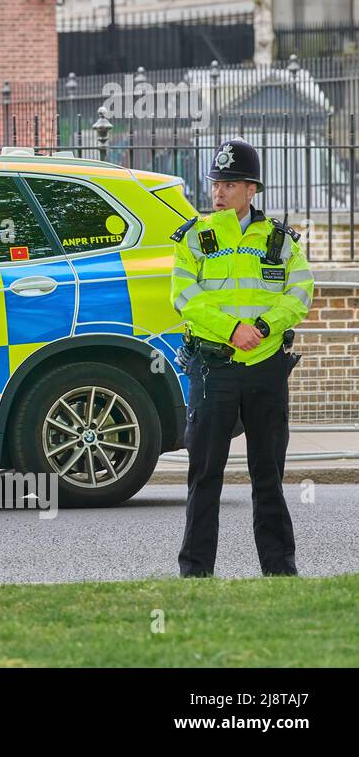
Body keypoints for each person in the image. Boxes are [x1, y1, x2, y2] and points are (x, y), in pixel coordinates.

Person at [170, 138, 314, 578]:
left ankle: (280, 571)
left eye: (230, 184)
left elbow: (301, 292)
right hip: (213, 369)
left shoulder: (279, 240)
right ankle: (195, 572)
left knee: (268, 476)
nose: (219, 192)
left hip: (267, 370)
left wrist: (264, 329)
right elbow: (184, 297)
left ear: (252, 190)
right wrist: (233, 330)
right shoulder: (195, 236)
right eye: (217, 183)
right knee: (204, 475)